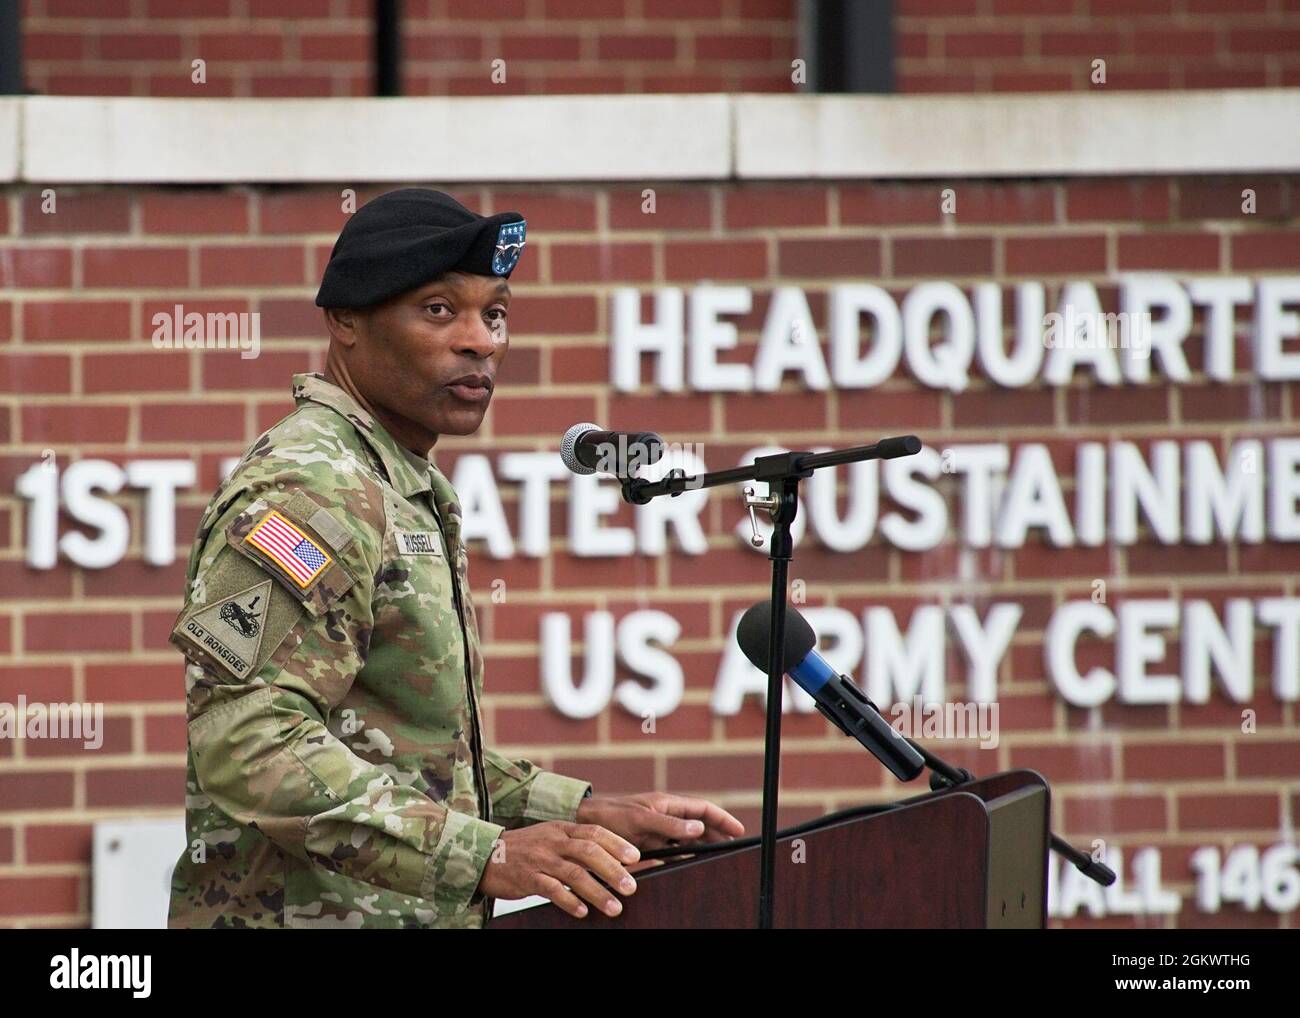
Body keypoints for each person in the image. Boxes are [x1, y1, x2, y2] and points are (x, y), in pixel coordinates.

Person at [167, 188, 743, 929]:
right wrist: (487, 856)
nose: (482, 341)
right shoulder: (307, 488)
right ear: (345, 320)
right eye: (440, 311)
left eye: (494, 313)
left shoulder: (397, 480)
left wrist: (580, 814)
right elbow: (247, 741)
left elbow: (400, 754)